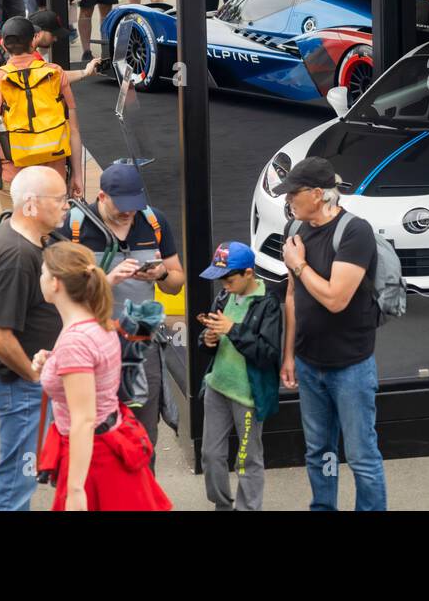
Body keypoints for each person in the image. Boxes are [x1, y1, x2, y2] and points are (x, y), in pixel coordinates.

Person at [277, 156, 387, 511]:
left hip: (351, 367)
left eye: (294, 194)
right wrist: (289, 354)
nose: (288, 200)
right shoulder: (294, 231)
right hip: (309, 365)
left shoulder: (355, 232)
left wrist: (300, 264)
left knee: (361, 456)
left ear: (318, 194)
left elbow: (336, 299)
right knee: (319, 452)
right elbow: (292, 297)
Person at [30, 241, 172, 511]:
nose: (41, 279)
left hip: (93, 459)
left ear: (56, 283)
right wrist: (52, 361)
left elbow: (84, 419)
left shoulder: (75, 340)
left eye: (43, 273)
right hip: (107, 447)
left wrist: (75, 491)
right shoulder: (96, 323)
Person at [60, 163, 185, 448]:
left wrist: (161, 274)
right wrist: (108, 280)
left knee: (143, 430)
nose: (129, 212)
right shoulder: (76, 225)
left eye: (135, 204)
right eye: (122, 205)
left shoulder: (154, 221)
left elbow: (177, 280)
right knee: (97, 427)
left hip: (142, 342)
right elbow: (63, 290)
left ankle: (142, 485)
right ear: (102, 197)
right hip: (93, 342)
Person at [0, 166, 69, 511]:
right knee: (17, 479)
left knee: (20, 475)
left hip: (22, 385)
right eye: (59, 199)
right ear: (30, 205)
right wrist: (35, 378)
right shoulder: (17, 256)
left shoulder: (19, 237)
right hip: (20, 385)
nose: (66, 207)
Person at [198, 241, 280, 511]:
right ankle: (222, 505)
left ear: (248, 273)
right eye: (220, 278)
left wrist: (233, 330)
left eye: (228, 278)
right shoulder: (224, 297)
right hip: (217, 387)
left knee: (246, 459)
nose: (223, 284)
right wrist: (208, 339)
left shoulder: (268, 304)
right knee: (210, 455)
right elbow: (209, 340)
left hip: (246, 395)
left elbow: (268, 354)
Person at [0, 16, 85, 210]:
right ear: (34, 40)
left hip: (12, 177)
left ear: (4, 45)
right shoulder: (55, 74)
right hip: (53, 176)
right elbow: (73, 130)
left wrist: (0, 158)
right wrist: (77, 175)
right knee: (53, 235)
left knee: (18, 234)